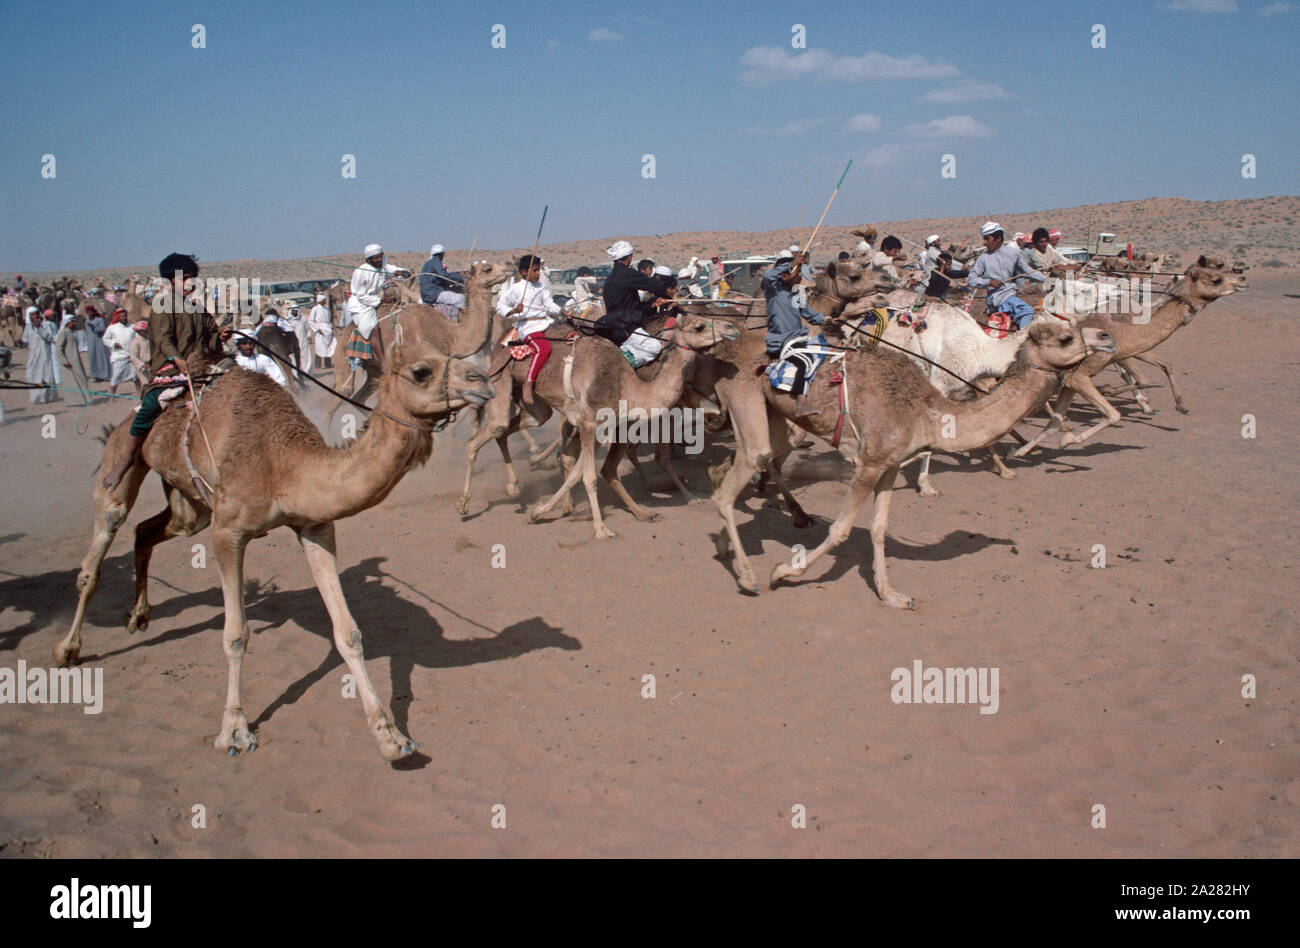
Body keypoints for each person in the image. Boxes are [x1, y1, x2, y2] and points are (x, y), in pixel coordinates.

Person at [101, 252, 233, 491]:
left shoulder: (196, 307)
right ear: (172, 280)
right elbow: (162, 339)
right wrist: (178, 360)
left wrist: (220, 333)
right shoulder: (162, 305)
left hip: (202, 365)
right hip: (172, 368)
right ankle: (125, 458)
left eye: (194, 277)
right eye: (186, 278)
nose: (191, 283)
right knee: (152, 405)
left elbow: (211, 334)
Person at [764, 250, 826, 417]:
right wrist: (791, 265)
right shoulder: (773, 288)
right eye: (796, 273)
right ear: (784, 275)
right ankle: (801, 404)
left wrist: (827, 320)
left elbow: (809, 314)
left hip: (798, 339)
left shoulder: (796, 293)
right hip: (782, 342)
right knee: (805, 362)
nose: (799, 277)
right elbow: (770, 275)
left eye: (799, 272)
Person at [496, 254, 561, 406]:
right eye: (535, 270)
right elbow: (501, 307)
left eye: (538, 270)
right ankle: (528, 383)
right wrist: (514, 310)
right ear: (524, 272)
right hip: (528, 327)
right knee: (543, 348)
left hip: (546, 323)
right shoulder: (516, 289)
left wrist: (562, 311)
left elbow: (550, 305)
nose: (538, 274)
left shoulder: (541, 287)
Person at [966, 222, 1045, 329]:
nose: (984, 242)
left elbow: (1028, 272)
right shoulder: (983, 258)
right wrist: (989, 282)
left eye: (987, 239)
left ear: (998, 238)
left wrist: (1048, 280)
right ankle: (1022, 338)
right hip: (998, 298)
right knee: (1026, 311)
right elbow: (971, 280)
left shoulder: (1014, 253)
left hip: (1010, 295)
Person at [593, 240, 673, 345]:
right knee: (655, 347)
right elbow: (656, 286)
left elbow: (627, 304)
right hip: (624, 326)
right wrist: (672, 292)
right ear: (629, 257)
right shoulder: (627, 274)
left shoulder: (611, 277)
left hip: (616, 321)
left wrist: (652, 304)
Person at [344, 243, 409, 371]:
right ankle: (382, 361)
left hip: (373, 301)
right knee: (373, 328)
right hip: (361, 305)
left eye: (380, 257)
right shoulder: (360, 272)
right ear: (368, 259)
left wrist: (402, 272)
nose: (379, 260)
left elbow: (393, 270)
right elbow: (361, 296)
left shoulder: (382, 268)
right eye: (375, 258)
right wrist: (381, 300)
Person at [55, 310, 93, 404]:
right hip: (69, 362)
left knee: (82, 378)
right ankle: (76, 401)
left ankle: (85, 399)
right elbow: (58, 349)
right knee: (73, 381)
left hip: (75, 360)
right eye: (72, 322)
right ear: (67, 323)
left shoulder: (71, 332)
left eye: (74, 322)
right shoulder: (63, 333)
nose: (74, 324)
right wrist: (64, 361)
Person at [21, 307, 55, 403]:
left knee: (45, 375)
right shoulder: (28, 327)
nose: (35, 316)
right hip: (34, 356)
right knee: (32, 375)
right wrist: (21, 342)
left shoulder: (45, 325)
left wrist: (39, 328)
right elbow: (25, 340)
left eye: (36, 314)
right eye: (32, 315)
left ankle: (47, 397)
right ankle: (36, 397)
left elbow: (49, 338)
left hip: (45, 355)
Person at [419, 244, 465, 314]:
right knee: (462, 299)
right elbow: (444, 275)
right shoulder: (435, 261)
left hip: (427, 294)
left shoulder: (428, 263)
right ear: (442, 254)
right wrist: (459, 275)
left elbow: (437, 278)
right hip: (433, 294)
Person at [102, 308, 139, 396]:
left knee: (136, 377)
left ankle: (140, 394)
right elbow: (105, 339)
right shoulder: (112, 328)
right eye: (122, 316)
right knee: (116, 376)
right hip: (119, 356)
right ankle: (112, 395)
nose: (125, 318)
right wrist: (114, 344)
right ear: (118, 317)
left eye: (125, 316)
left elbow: (137, 338)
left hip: (131, 356)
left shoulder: (132, 326)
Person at [84, 304, 111, 381]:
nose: (89, 314)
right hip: (91, 342)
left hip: (99, 341)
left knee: (101, 358)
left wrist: (94, 327)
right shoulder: (87, 321)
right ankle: (96, 376)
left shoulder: (100, 320)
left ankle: (105, 375)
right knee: (93, 358)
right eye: (88, 312)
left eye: (90, 312)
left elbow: (103, 330)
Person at [309, 294, 335, 369]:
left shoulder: (327, 309)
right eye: (324, 300)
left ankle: (327, 364)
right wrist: (317, 329)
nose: (325, 301)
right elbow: (311, 320)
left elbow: (329, 320)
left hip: (328, 329)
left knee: (328, 347)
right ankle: (318, 365)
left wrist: (331, 328)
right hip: (320, 329)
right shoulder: (315, 309)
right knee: (319, 347)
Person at [129, 319, 151, 388]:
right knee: (145, 384)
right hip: (142, 367)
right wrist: (142, 365)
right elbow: (133, 357)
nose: (146, 332)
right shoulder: (135, 342)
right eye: (144, 330)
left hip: (151, 364)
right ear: (139, 331)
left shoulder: (148, 339)